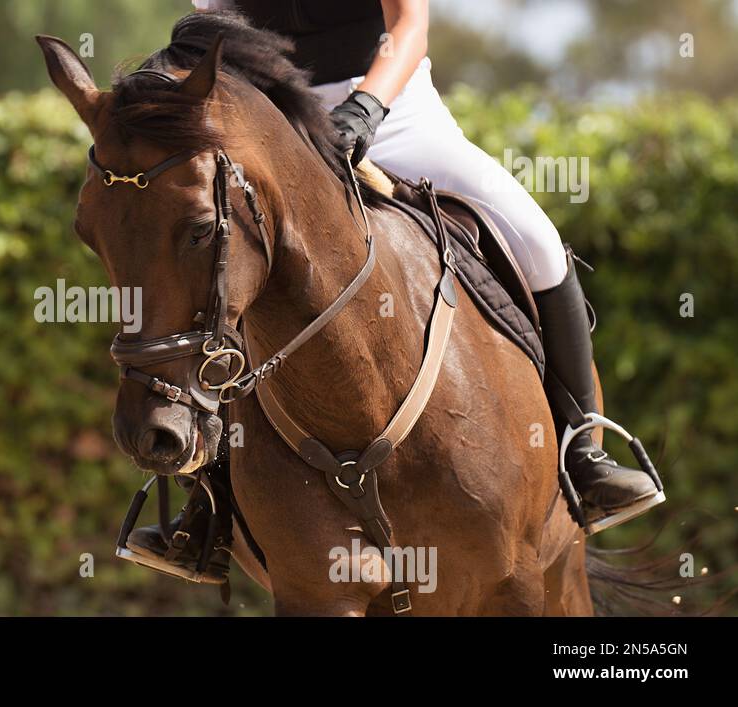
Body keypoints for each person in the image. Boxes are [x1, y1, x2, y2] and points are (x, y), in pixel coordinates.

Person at [128, 0, 662, 581]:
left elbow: (410, 25)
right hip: (266, 129)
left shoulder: (382, 101)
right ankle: (205, 503)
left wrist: (365, 109)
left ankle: (585, 449)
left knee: (537, 239)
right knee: (204, 258)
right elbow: (207, 44)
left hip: (389, 109)